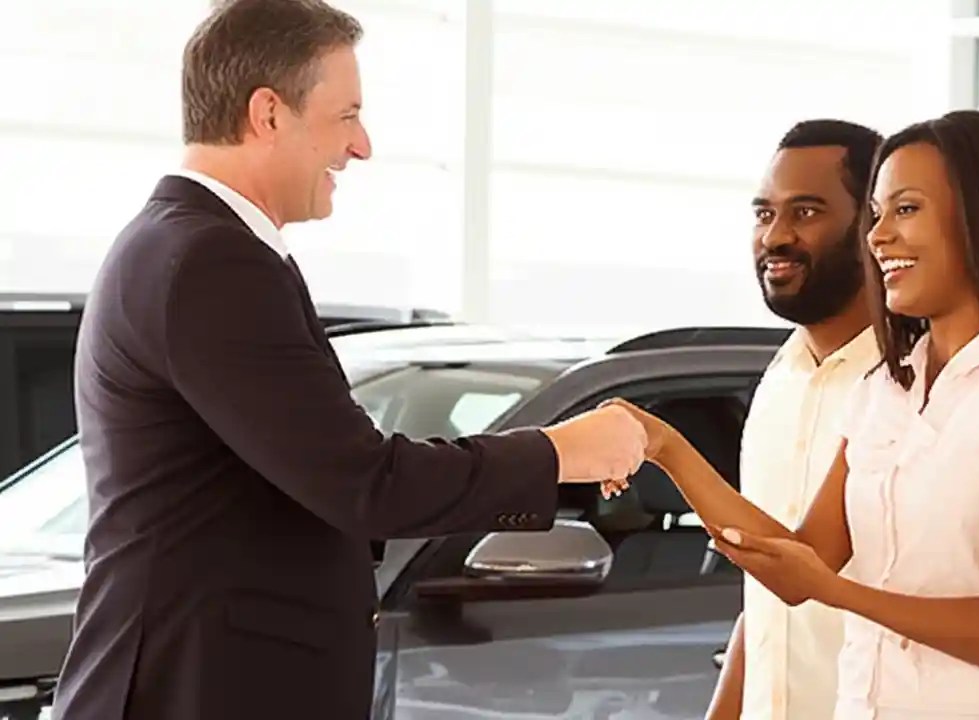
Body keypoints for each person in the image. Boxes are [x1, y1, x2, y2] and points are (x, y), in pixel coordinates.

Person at [53, 2, 645, 719]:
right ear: (269, 113)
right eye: (346, 116)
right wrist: (558, 452)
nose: (360, 146)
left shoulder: (191, 249)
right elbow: (364, 480)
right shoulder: (209, 261)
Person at [608, 109, 979, 719]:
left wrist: (838, 593)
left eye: (907, 209)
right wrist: (663, 446)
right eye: (876, 215)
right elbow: (795, 568)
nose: (878, 237)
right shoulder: (884, 391)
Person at [705, 119, 885, 720]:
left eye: (806, 213)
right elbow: (765, 604)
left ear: (873, 225)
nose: (776, 237)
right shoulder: (778, 383)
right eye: (764, 215)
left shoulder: (912, 387)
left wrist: (663, 447)